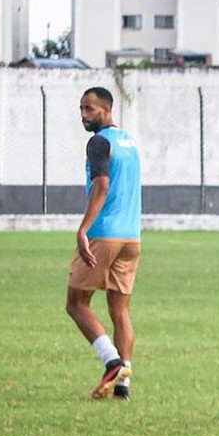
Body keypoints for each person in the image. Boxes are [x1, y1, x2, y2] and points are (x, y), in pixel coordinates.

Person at [65, 87, 142, 400]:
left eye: (90, 109)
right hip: (131, 237)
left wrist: (83, 228)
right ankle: (124, 383)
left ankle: (112, 362)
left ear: (106, 109)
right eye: (81, 109)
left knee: (76, 303)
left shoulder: (99, 142)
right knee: (119, 310)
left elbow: (102, 185)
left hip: (103, 234)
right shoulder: (130, 143)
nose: (84, 115)